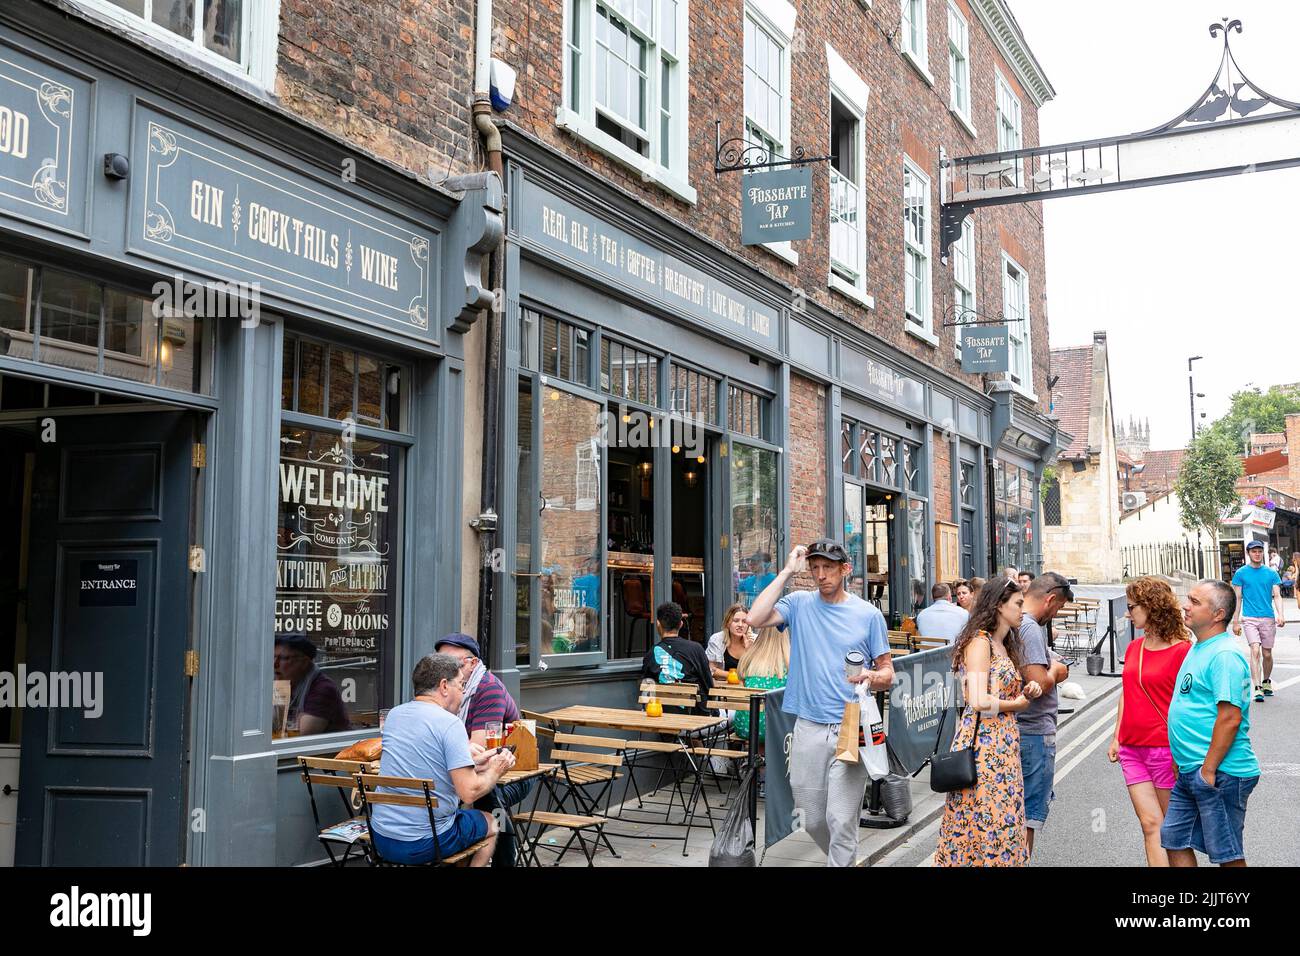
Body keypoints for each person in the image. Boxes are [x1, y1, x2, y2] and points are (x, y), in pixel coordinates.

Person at [747, 539, 893, 867]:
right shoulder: (798, 604)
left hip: (850, 724)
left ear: (845, 570)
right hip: (808, 725)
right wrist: (787, 570)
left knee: (841, 820)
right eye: (815, 568)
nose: (820, 574)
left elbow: (889, 673)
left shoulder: (868, 615)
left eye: (828, 567)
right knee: (812, 820)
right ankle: (844, 861)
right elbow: (755, 618)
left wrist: (871, 675)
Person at [934, 578, 1041, 867]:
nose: (1023, 610)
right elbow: (978, 699)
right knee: (984, 821)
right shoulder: (981, 642)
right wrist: (1016, 704)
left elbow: (998, 690)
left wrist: (1028, 690)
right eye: (1018, 604)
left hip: (1003, 744)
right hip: (985, 747)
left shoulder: (1003, 643)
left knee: (1002, 821)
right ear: (998, 605)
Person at [370, 653, 515, 866]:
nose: (464, 692)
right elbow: (469, 792)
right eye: (461, 685)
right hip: (427, 842)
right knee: (493, 822)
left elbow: (425, 762)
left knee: (460, 822)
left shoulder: (394, 716)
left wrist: (473, 762)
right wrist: (497, 768)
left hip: (382, 837)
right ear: (444, 686)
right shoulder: (450, 723)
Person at [1161, 580, 1260, 867]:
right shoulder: (1200, 647)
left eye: (1194, 601)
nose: (1185, 606)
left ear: (1218, 614)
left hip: (1220, 771)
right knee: (1174, 839)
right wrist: (1183, 761)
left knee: (1227, 854)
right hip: (1193, 768)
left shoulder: (1224, 655)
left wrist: (1208, 770)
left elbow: (1230, 718)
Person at [1106, 578, 1193, 867]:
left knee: (1173, 830)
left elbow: (1189, 705)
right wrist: (1117, 735)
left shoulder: (1183, 651)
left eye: (1132, 607)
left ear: (1152, 607)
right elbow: (1127, 693)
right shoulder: (1134, 648)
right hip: (1132, 747)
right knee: (1149, 825)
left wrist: (1184, 750)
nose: (1128, 614)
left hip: (1165, 749)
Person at [434, 633, 530, 868]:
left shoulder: (488, 689)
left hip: (511, 773)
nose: (444, 669)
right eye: (440, 662)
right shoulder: (441, 688)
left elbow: (479, 753)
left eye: (452, 663)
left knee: (487, 796)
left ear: (473, 663)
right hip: (464, 770)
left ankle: (505, 862)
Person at [1017, 572, 1073, 856]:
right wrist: (1058, 670)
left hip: (1019, 729)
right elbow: (1037, 681)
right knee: (1028, 815)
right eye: (1059, 607)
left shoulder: (1012, 623)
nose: (1056, 613)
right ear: (1050, 599)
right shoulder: (1028, 627)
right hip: (1033, 731)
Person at [1231, 539, 1285, 702]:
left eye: (1260, 551)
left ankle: (1266, 681)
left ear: (1263, 553)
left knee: (1266, 653)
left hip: (1267, 618)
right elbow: (1238, 598)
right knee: (1254, 650)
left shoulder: (1271, 573)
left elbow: (1277, 595)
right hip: (1249, 619)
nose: (1257, 554)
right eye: (1254, 551)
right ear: (1248, 553)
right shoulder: (1241, 573)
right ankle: (1257, 687)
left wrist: (1280, 614)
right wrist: (1235, 621)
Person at [641, 601, 713, 713]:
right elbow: (709, 686)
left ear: (658, 623)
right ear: (681, 624)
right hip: (696, 721)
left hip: (661, 716)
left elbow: (647, 687)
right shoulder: (696, 649)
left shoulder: (651, 654)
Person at [273, 635, 350, 735]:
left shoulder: (322, 688)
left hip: (330, 750)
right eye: (273, 657)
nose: (275, 664)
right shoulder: (283, 684)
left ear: (304, 662)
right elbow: (274, 722)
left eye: (283, 658)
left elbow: (304, 733)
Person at [731, 625, 790, 743]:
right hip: (777, 730)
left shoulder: (748, 659)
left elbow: (742, 683)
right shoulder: (789, 664)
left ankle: (757, 758)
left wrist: (748, 650)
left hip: (745, 728)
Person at [707, 603, 756, 682]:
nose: (740, 625)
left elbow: (759, 671)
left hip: (749, 689)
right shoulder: (717, 639)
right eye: (736, 621)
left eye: (744, 621)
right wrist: (733, 676)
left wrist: (749, 651)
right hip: (723, 689)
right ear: (727, 623)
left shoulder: (755, 640)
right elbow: (710, 669)